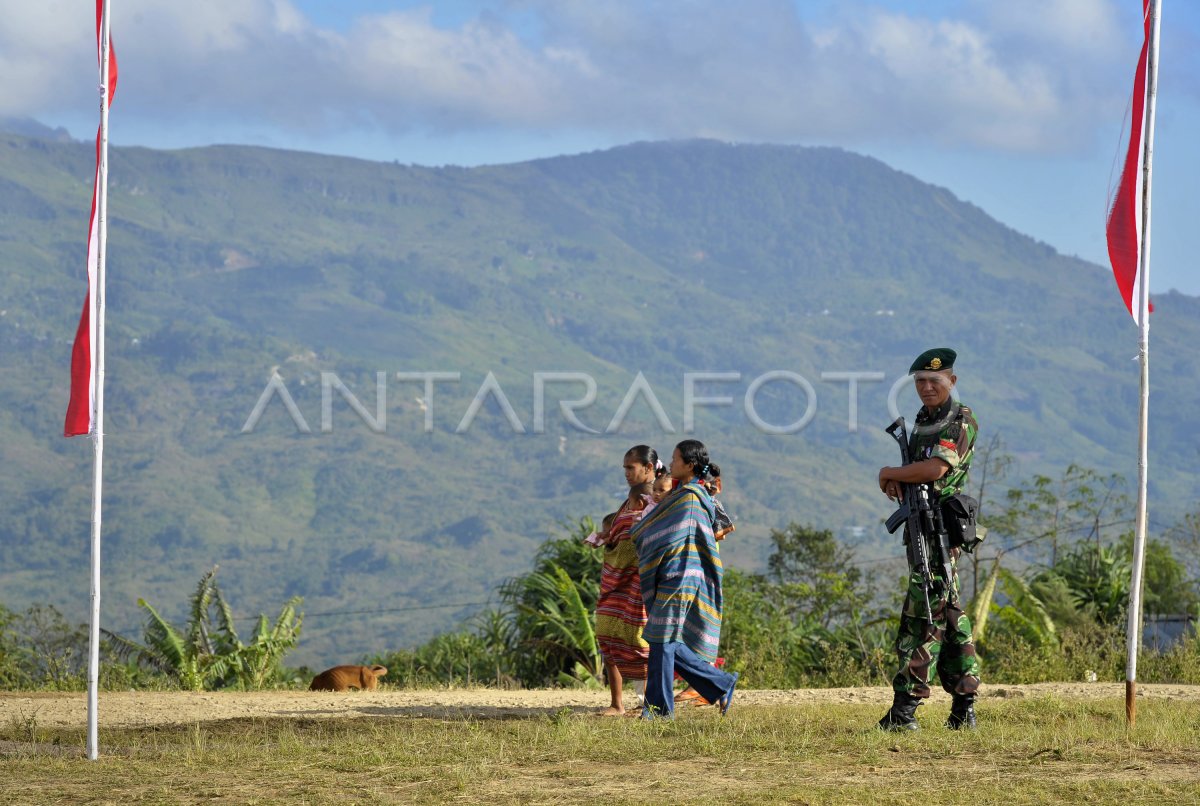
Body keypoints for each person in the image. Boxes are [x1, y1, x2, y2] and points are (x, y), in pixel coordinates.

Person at [876, 348, 981, 731]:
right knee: (949, 616)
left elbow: (937, 468)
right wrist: (899, 478)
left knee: (922, 614)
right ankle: (964, 706)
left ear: (951, 381)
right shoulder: (924, 419)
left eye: (934, 381)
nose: (925, 388)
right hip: (919, 523)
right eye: (919, 381)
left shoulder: (959, 420)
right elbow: (916, 472)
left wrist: (891, 471)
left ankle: (905, 712)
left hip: (938, 531)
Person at [630, 439, 738, 719]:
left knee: (661, 639)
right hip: (674, 574)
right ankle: (720, 683)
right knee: (660, 638)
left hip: (682, 576)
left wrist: (641, 533)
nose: (672, 463)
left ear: (689, 465)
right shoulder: (686, 494)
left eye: (676, 459)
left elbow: (668, 533)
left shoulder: (690, 498)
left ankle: (658, 710)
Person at [593, 446, 659, 716]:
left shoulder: (658, 496)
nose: (627, 473)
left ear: (648, 467)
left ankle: (653, 701)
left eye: (631, 468)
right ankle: (617, 703)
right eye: (625, 468)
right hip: (616, 585)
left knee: (642, 643)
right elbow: (621, 533)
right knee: (607, 633)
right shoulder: (630, 499)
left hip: (640, 587)